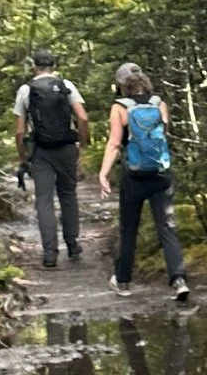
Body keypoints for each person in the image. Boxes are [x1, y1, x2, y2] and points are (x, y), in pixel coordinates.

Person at [101, 66, 190, 301]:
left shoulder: (120, 107)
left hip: (133, 175)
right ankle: (178, 280)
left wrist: (104, 173)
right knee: (167, 226)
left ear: (122, 85)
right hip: (161, 173)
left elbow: (114, 143)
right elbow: (163, 134)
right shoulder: (159, 103)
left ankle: (123, 281)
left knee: (129, 229)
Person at [12, 51, 88, 270]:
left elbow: (19, 132)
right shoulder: (67, 86)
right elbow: (82, 117)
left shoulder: (26, 90)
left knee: (44, 201)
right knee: (68, 195)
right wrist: (82, 146)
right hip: (66, 148)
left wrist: (23, 157)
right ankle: (73, 245)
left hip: (41, 150)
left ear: (34, 66)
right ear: (54, 66)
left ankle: (49, 254)